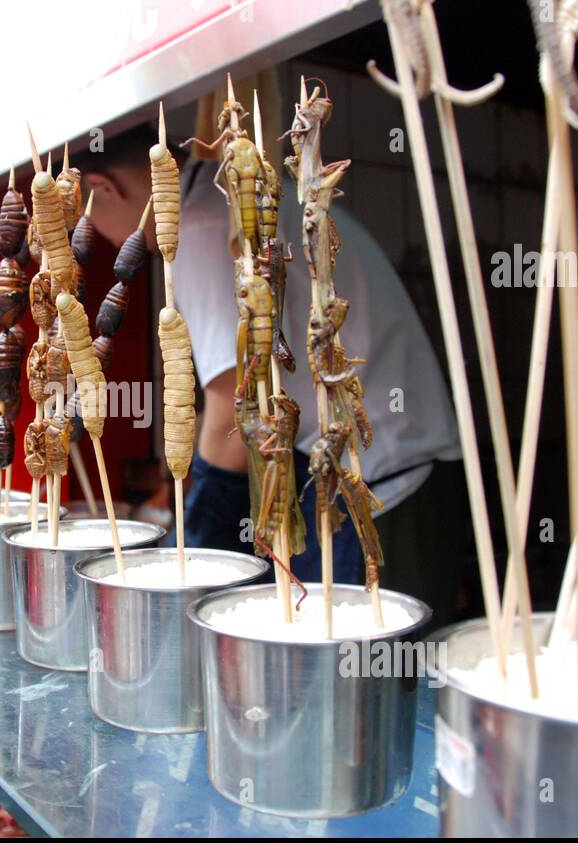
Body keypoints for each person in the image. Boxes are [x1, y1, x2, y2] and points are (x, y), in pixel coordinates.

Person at [79, 94, 464, 619]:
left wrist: (191, 555)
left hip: (380, 486)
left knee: (365, 683)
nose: (90, 233)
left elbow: (237, 415)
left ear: (102, 187)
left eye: (83, 217)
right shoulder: (234, 202)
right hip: (399, 470)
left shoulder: (203, 226)